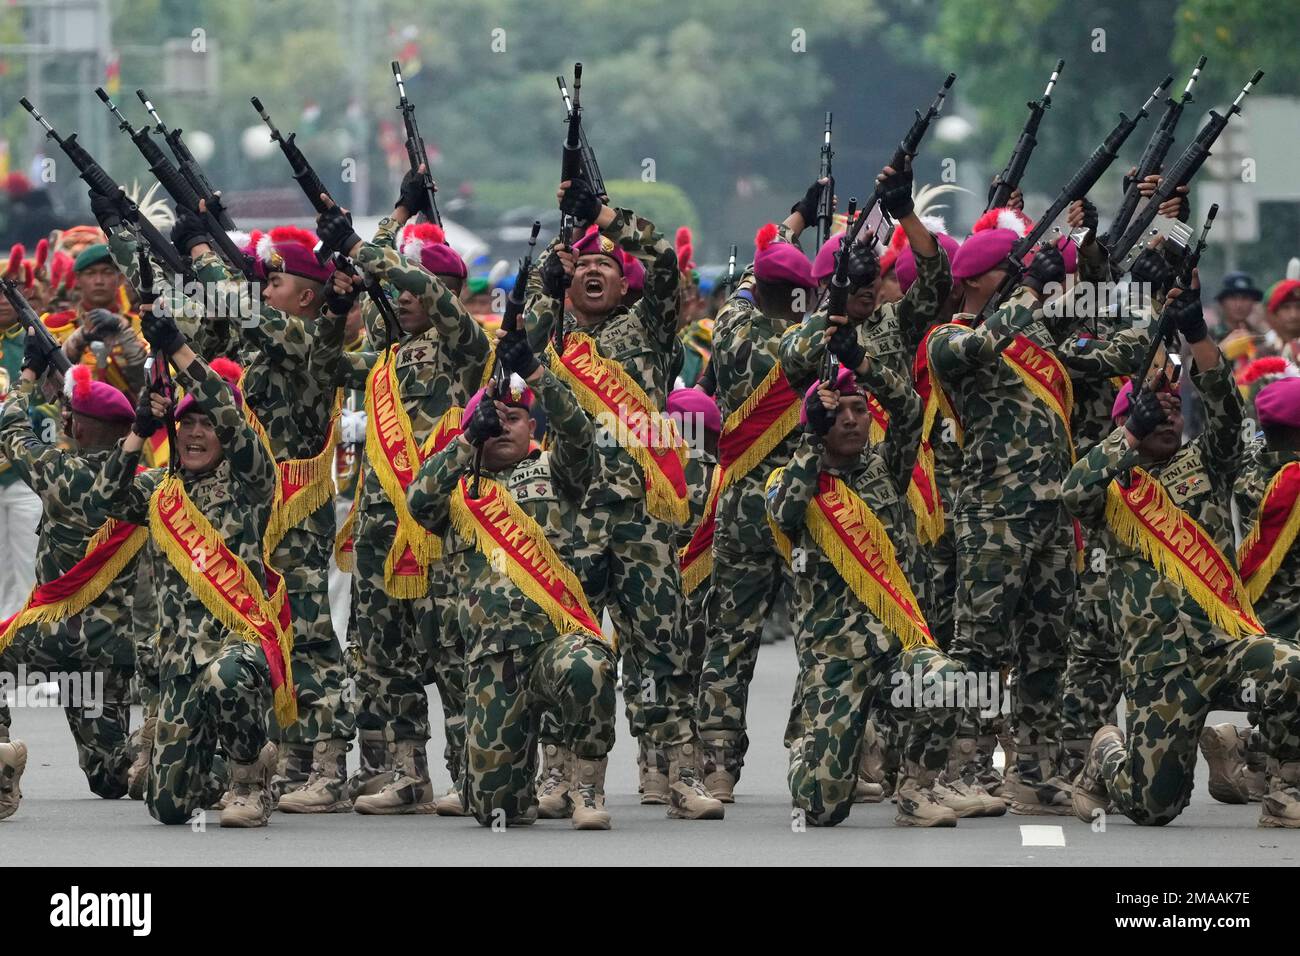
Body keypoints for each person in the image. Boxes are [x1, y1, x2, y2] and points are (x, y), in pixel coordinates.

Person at [925, 215, 1148, 814]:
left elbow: (1118, 352)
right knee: (977, 648)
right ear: (978, 280)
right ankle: (949, 770)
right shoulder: (948, 338)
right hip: (995, 517)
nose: (1026, 279)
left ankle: (1031, 770)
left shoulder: (1037, 338)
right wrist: (1028, 294)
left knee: (1048, 646)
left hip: (1053, 516)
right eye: (1011, 270)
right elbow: (980, 346)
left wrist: (1148, 297)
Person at [1066, 281, 1300, 829]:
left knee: (1293, 667)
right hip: (1160, 668)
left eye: (1174, 410)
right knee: (1154, 809)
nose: (1169, 418)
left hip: (1224, 645)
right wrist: (1127, 433)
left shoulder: (1207, 464)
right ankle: (1106, 756)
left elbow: (1224, 407)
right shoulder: (1115, 489)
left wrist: (1196, 332)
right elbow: (1074, 493)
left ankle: (1283, 787)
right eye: (1157, 412)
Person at [523, 179, 722, 820]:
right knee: (570, 646)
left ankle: (679, 774)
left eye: (604, 264)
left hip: (643, 519)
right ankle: (563, 774)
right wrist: (554, 260)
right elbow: (526, 328)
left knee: (660, 647)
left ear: (622, 279)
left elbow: (665, 263)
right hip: (571, 516)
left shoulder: (649, 331)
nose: (592, 273)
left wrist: (607, 216)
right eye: (582, 265)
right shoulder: (551, 332)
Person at [165, 212, 358, 812]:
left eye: (271, 281)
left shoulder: (309, 341)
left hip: (293, 509)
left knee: (306, 629)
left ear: (305, 294)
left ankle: (325, 763)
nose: (259, 288)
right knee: (257, 629)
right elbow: (203, 324)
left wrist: (203, 248)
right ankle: (281, 753)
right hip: (248, 508)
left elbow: (242, 306)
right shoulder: (259, 339)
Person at [311, 181, 489, 815]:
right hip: (382, 533)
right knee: (387, 659)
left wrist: (371, 245)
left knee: (456, 656)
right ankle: (407, 773)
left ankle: (472, 775)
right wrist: (337, 303)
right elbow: (324, 364)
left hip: (444, 530)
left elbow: (433, 294)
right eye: (399, 292)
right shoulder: (383, 359)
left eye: (418, 289)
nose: (406, 299)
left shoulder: (468, 348)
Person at [87, 306, 290, 828]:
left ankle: (249, 778)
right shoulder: (162, 492)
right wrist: (139, 428)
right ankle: (222, 766)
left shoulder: (251, 481)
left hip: (237, 647)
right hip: (179, 662)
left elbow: (232, 415)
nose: (196, 435)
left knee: (227, 678)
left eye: (206, 425)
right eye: (186, 424)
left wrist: (179, 349)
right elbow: (104, 498)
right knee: (168, 806)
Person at [406, 325, 616, 828]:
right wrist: (464, 442)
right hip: (491, 660)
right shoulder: (459, 488)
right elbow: (417, 503)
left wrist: (540, 374)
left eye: (515, 418)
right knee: (496, 810)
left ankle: (586, 788)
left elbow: (581, 436)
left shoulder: (556, 472)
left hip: (555, 642)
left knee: (588, 667)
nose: (504, 428)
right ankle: (513, 785)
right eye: (493, 420)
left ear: (531, 427)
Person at [767, 351, 963, 828]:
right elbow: (783, 512)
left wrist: (862, 362)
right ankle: (811, 746)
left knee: (948, 678)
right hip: (839, 656)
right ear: (817, 423)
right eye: (839, 412)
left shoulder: (884, 467)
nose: (853, 420)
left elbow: (911, 410)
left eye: (860, 408)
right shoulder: (791, 481)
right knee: (823, 807)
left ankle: (916, 790)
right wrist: (810, 437)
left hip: (900, 644)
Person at [693, 182, 821, 801]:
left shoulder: (733, 323)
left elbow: (755, 267)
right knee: (818, 631)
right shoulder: (810, 342)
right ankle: (811, 752)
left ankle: (717, 763)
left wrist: (793, 220)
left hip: (740, 500)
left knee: (731, 634)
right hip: (801, 505)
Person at [0, 347, 143, 808]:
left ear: (78, 428)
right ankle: (171, 748)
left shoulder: (59, 472)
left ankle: (1, 763)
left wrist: (26, 375)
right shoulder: (148, 484)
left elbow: (10, 427)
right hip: (112, 647)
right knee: (110, 776)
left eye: (68, 415)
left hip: (53, 636)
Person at [41, 238, 146, 399]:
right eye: (90, 274)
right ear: (77, 280)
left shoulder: (140, 325)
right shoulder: (56, 326)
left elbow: (147, 382)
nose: (98, 281)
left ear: (121, 279)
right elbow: (45, 391)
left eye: (107, 272)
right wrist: (79, 338)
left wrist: (123, 331)